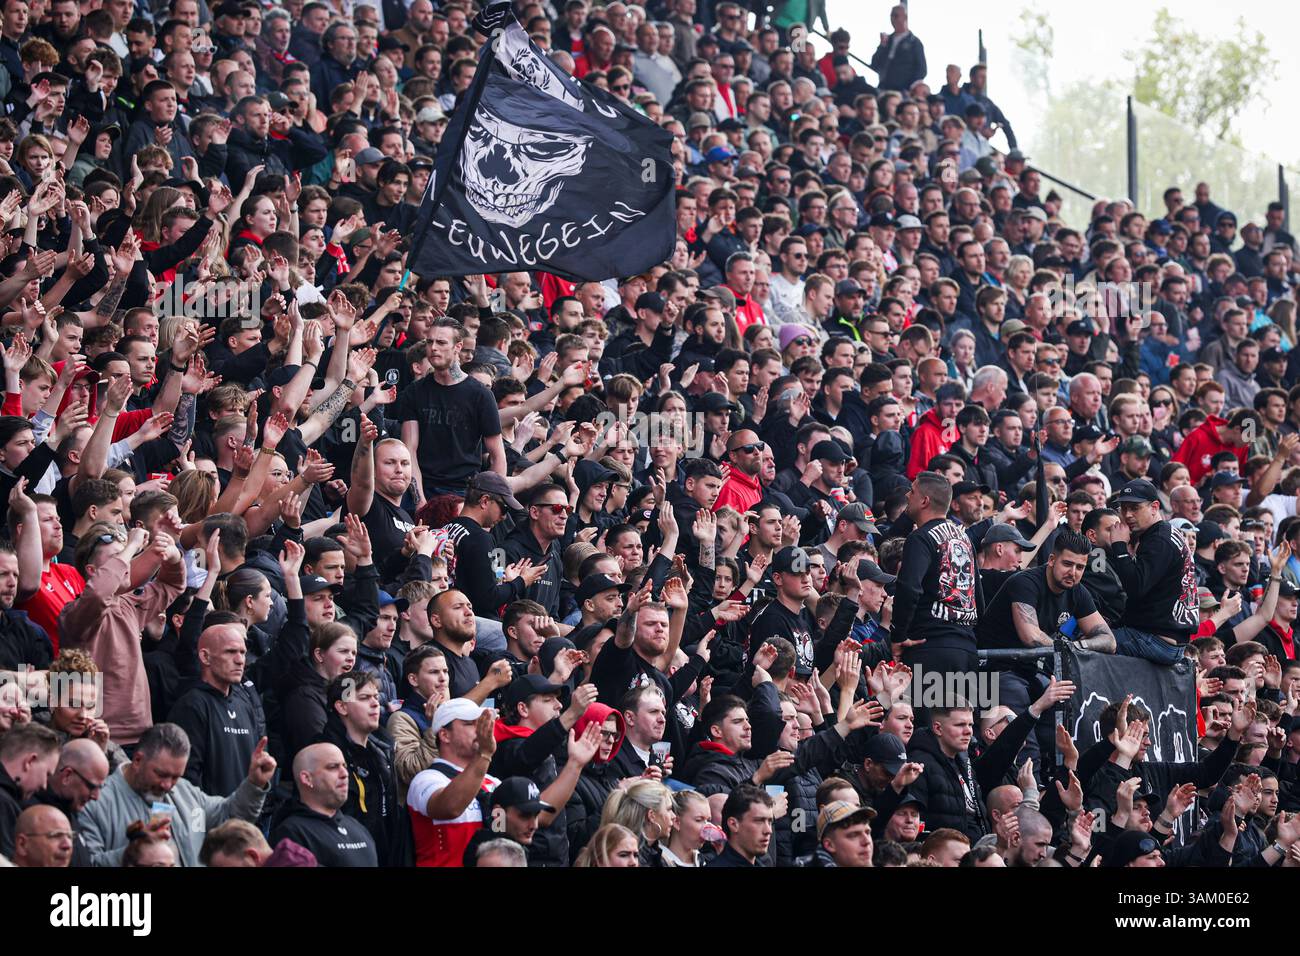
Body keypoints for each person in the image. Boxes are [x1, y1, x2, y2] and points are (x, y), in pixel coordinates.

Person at [78, 722, 274, 867]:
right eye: (161, 774)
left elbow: (229, 816)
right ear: (137, 760)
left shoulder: (184, 791)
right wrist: (132, 852)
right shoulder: (96, 802)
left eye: (176, 777)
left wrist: (254, 784)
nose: (168, 785)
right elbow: (87, 864)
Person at [267, 741, 379, 867]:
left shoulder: (358, 828)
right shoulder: (290, 833)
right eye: (332, 767)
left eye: (344, 766)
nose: (345, 774)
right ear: (307, 778)